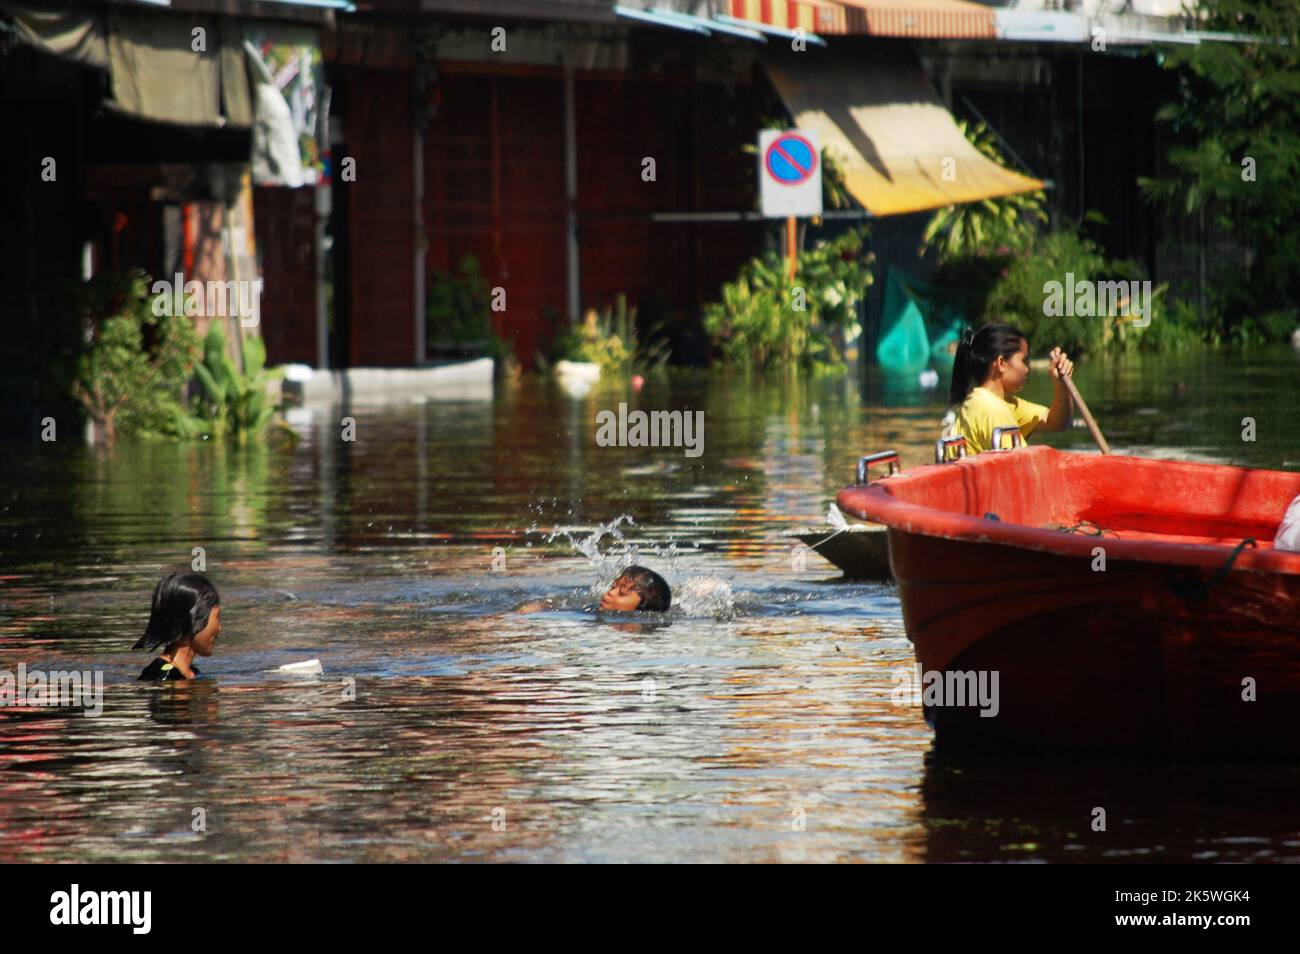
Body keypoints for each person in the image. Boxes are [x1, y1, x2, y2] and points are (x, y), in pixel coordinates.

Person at [942, 323, 1075, 455]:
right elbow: (1021, 466)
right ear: (1001, 363)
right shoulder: (992, 409)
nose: (1027, 369)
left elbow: (1057, 422)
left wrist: (1061, 385)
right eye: (1024, 360)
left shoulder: (990, 402)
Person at [135, 572, 222, 681]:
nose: (219, 628)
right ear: (193, 619)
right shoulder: (162, 678)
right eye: (217, 617)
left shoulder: (192, 672)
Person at [514, 564, 672, 615]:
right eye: (613, 586)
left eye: (622, 592)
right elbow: (561, 606)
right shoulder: (591, 609)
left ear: (646, 607)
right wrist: (540, 606)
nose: (610, 593)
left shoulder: (643, 623)